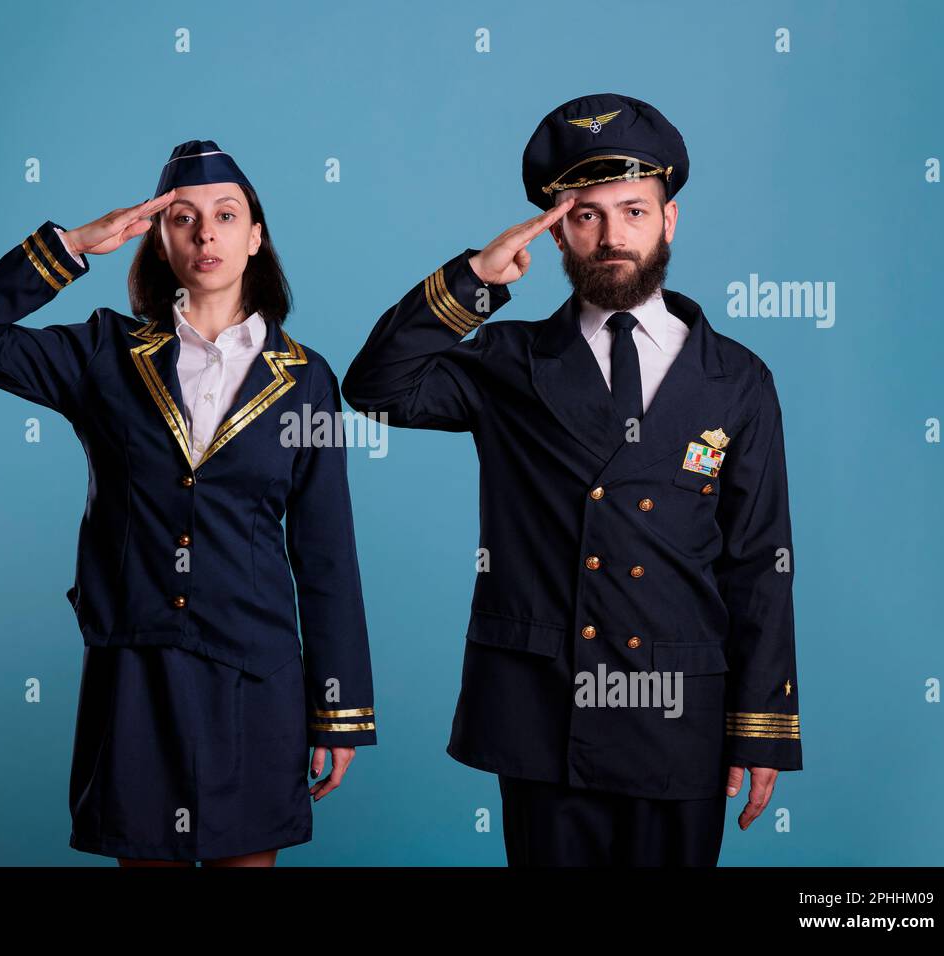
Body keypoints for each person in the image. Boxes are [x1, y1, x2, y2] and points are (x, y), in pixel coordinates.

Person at [342, 93, 801, 866]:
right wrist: (476, 280)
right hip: (546, 709)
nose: (613, 235)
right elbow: (376, 387)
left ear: (670, 220)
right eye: (586, 215)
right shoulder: (510, 361)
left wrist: (760, 726)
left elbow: (760, 562)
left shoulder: (737, 379)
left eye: (634, 210)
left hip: (680, 713)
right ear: (557, 229)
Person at [0, 139, 376, 867]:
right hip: (134, 667)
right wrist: (71, 246)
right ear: (158, 239)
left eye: (227, 216)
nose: (206, 234)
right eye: (184, 218)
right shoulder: (102, 353)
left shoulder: (307, 381)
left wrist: (340, 710)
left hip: (253, 675)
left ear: (256, 237)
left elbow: (327, 551)